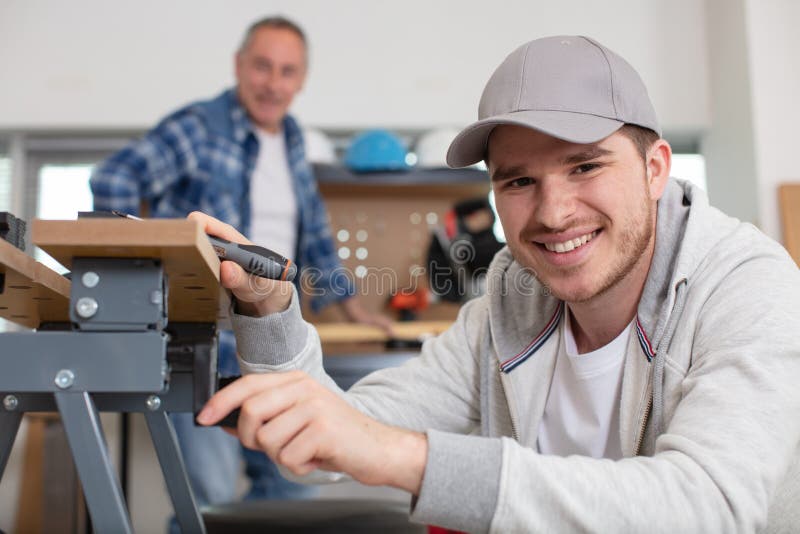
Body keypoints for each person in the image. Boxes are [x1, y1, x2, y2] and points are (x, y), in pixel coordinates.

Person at [193, 35, 800, 532]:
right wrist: (270, 312)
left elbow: (709, 509)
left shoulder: (747, 286)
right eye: (518, 181)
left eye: (585, 165)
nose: (554, 213)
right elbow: (339, 436)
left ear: (655, 168)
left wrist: (408, 459)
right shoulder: (513, 297)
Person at [90, 15, 392, 512]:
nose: (273, 84)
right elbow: (115, 177)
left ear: (301, 80)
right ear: (238, 66)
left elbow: (313, 233)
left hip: (273, 341)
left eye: (287, 71)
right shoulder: (200, 127)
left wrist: (354, 310)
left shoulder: (293, 138)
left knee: (291, 490)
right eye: (262, 67)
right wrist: (138, 273)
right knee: (205, 504)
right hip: (204, 344)